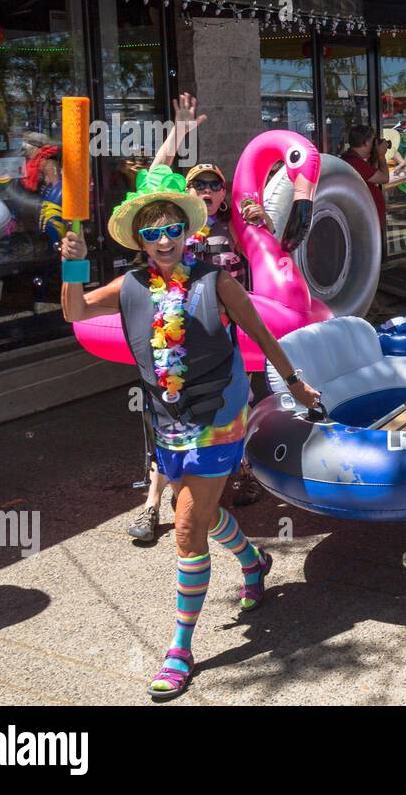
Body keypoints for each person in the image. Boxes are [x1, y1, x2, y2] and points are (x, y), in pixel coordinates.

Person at [60, 165, 321, 699]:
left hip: (220, 415)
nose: (162, 240)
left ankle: (179, 649)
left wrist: (293, 384)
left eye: (171, 229)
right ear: (139, 239)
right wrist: (73, 265)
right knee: (195, 512)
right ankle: (254, 560)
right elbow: (77, 309)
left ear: (187, 231)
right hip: (169, 419)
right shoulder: (130, 285)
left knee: (185, 530)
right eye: (151, 232)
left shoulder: (214, 280)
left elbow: (261, 333)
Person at [128, 94, 276, 541]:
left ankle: (243, 472)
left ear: (224, 193)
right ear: (188, 197)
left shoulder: (241, 226)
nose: (208, 192)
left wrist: (264, 222)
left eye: (215, 186)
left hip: (224, 340)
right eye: (199, 187)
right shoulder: (173, 231)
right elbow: (154, 178)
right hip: (167, 339)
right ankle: (152, 504)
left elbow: (278, 262)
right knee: (164, 413)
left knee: (237, 401)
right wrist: (179, 131)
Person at [341, 125, 390, 237]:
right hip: (365, 223)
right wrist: (381, 156)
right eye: (373, 141)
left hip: (365, 219)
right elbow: (384, 178)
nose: (374, 145)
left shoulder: (351, 159)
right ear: (367, 143)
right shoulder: (355, 162)